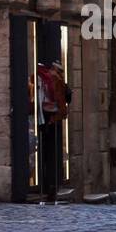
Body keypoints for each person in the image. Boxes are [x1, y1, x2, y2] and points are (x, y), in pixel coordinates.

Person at [36, 60, 69, 201]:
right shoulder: (56, 80)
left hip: (46, 119)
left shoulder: (49, 79)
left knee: (46, 153)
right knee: (51, 153)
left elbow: (61, 102)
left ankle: (49, 186)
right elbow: (63, 102)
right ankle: (51, 186)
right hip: (51, 119)